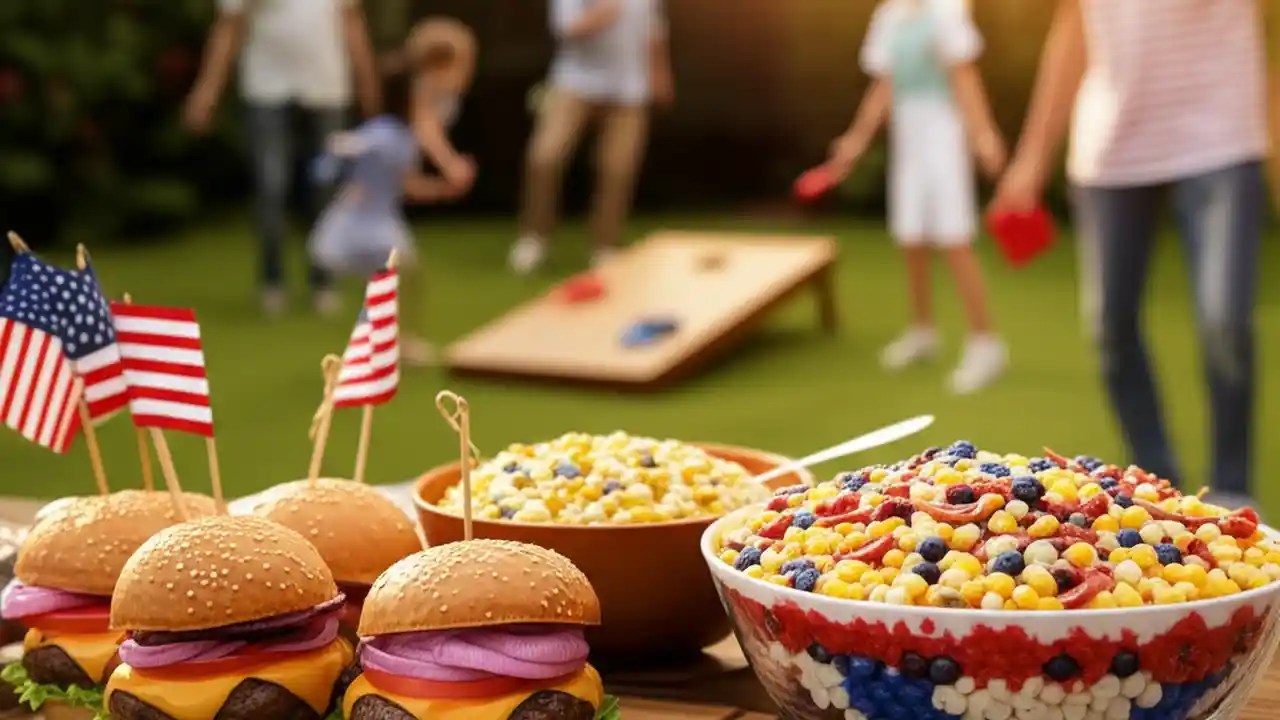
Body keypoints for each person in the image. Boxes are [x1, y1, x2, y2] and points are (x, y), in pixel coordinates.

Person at [994, 0, 1268, 506]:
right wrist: (1032, 157)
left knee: (1224, 321)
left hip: (1220, 136)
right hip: (1114, 144)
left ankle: (1231, 488)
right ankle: (1156, 489)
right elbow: (1073, 30)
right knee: (1110, 327)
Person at [825, 0, 1008, 394]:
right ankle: (922, 331)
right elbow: (884, 86)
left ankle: (985, 343)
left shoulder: (947, 13)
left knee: (953, 237)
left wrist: (983, 134)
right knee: (910, 237)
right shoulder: (888, 17)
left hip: (943, 130)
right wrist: (855, 142)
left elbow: (964, 78)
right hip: (907, 134)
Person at [184, 0, 380, 318]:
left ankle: (323, 280)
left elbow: (352, 24)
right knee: (271, 184)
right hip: (266, 88)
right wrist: (207, 91)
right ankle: (272, 281)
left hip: (327, 87)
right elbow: (228, 29)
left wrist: (367, 83)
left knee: (325, 190)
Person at [309, 22, 477, 366]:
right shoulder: (392, 133)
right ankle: (380, 346)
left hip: (379, 217)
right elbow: (425, 126)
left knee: (396, 281)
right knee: (392, 280)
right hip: (363, 222)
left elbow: (408, 182)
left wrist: (442, 188)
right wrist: (450, 165)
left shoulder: (401, 133)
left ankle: (389, 343)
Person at [508, 0, 675, 275]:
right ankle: (534, 240)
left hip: (629, 90)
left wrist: (660, 75)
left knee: (617, 168)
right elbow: (565, 30)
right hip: (573, 84)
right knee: (545, 157)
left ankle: (604, 247)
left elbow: (654, 33)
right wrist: (602, 13)